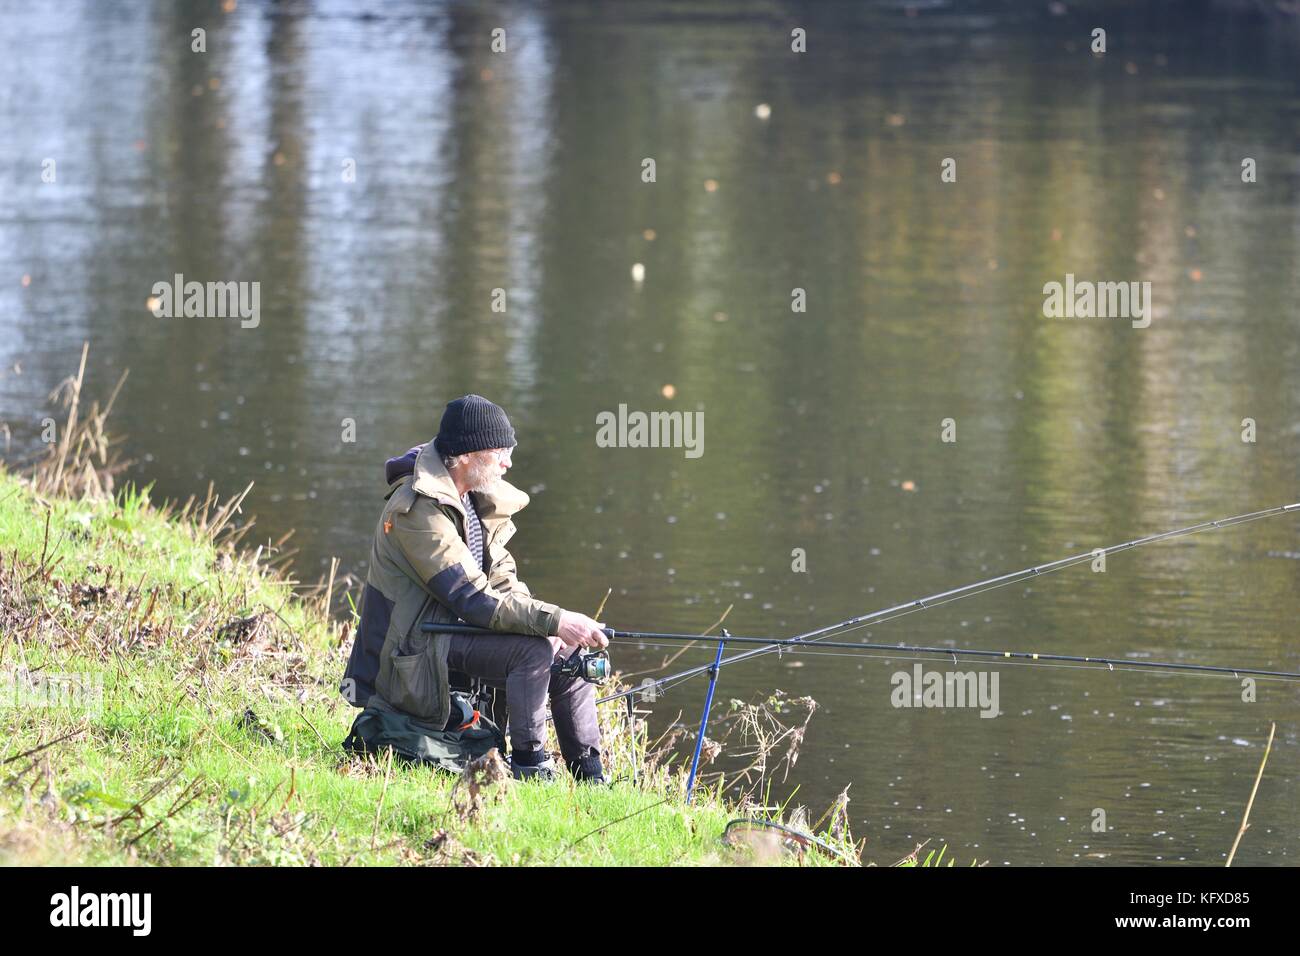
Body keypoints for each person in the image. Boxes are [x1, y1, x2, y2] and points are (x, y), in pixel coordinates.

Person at [341, 394, 610, 781]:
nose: (508, 462)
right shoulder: (416, 510)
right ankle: (530, 767)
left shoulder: (473, 500)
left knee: (569, 650)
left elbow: (502, 582)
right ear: (466, 455)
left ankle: (590, 776)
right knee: (531, 652)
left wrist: (553, 627)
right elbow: (471, 597)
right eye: (500, 452)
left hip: (453, 631)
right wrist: (551, 622)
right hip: (415, 647)